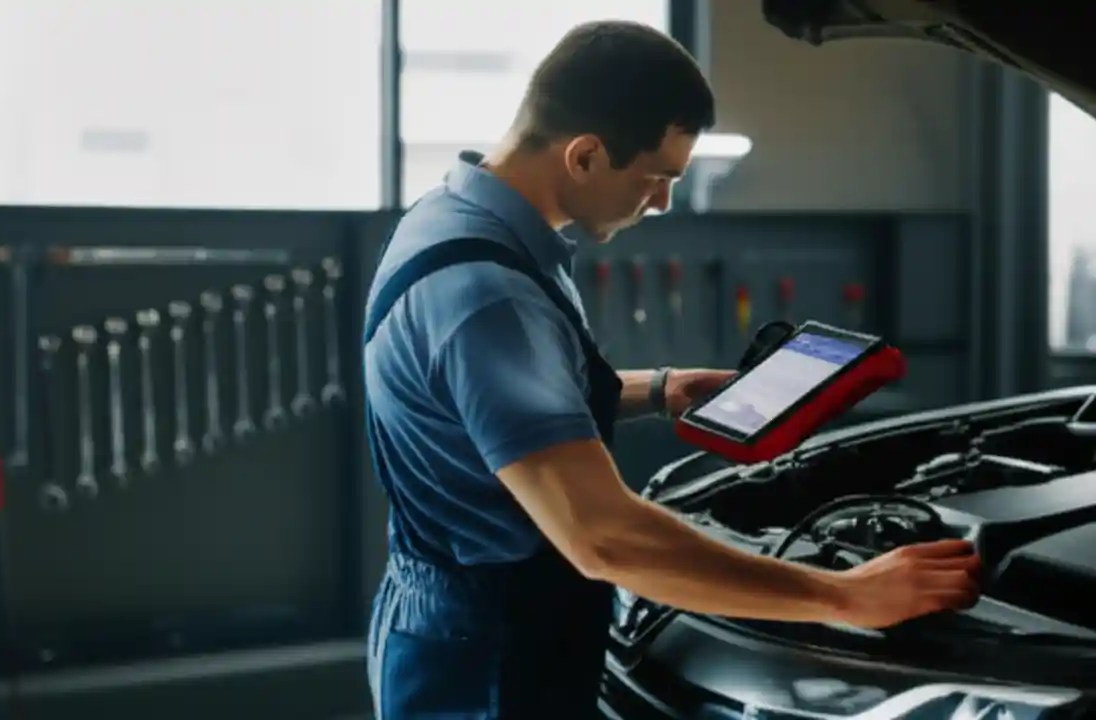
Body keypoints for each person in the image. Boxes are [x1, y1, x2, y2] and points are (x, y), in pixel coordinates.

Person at [362, 20, 980, 719]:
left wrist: (658, 390)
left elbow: (484, 408)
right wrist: (844, 596)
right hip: (489, 659)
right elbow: (604, 537)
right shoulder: (491, 295)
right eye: (657, 177)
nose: (660, 203)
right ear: (586, 155)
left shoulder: (455, 216)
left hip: (464, 622)